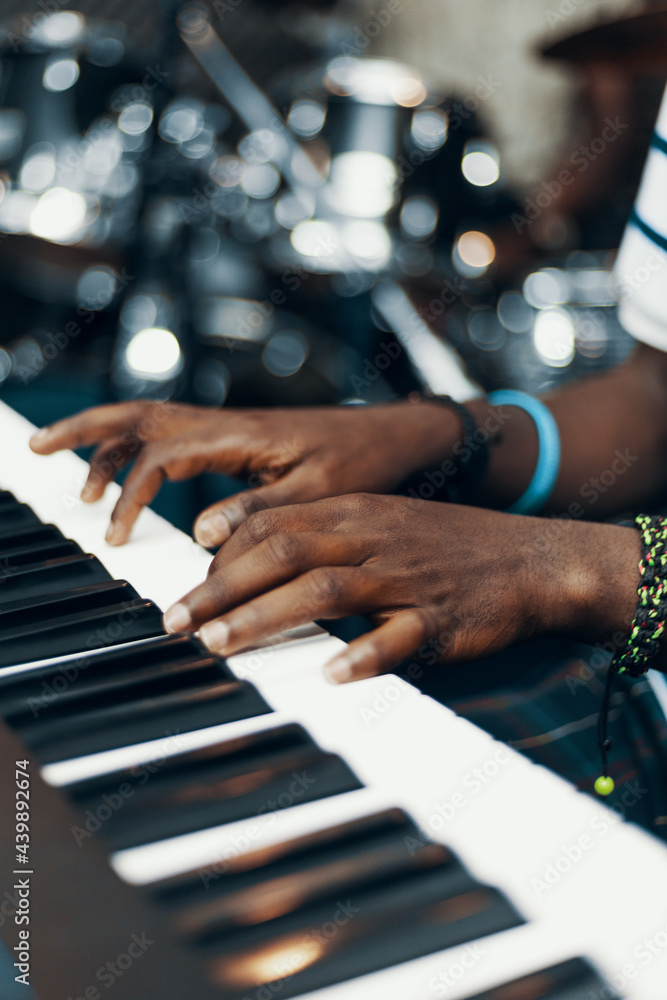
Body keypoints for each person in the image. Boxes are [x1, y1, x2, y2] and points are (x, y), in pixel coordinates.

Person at [28, 90, 667, 835]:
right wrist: (439, 433)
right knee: (119, 807)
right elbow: (655, 396)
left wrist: (577, 572)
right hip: (637, 708)